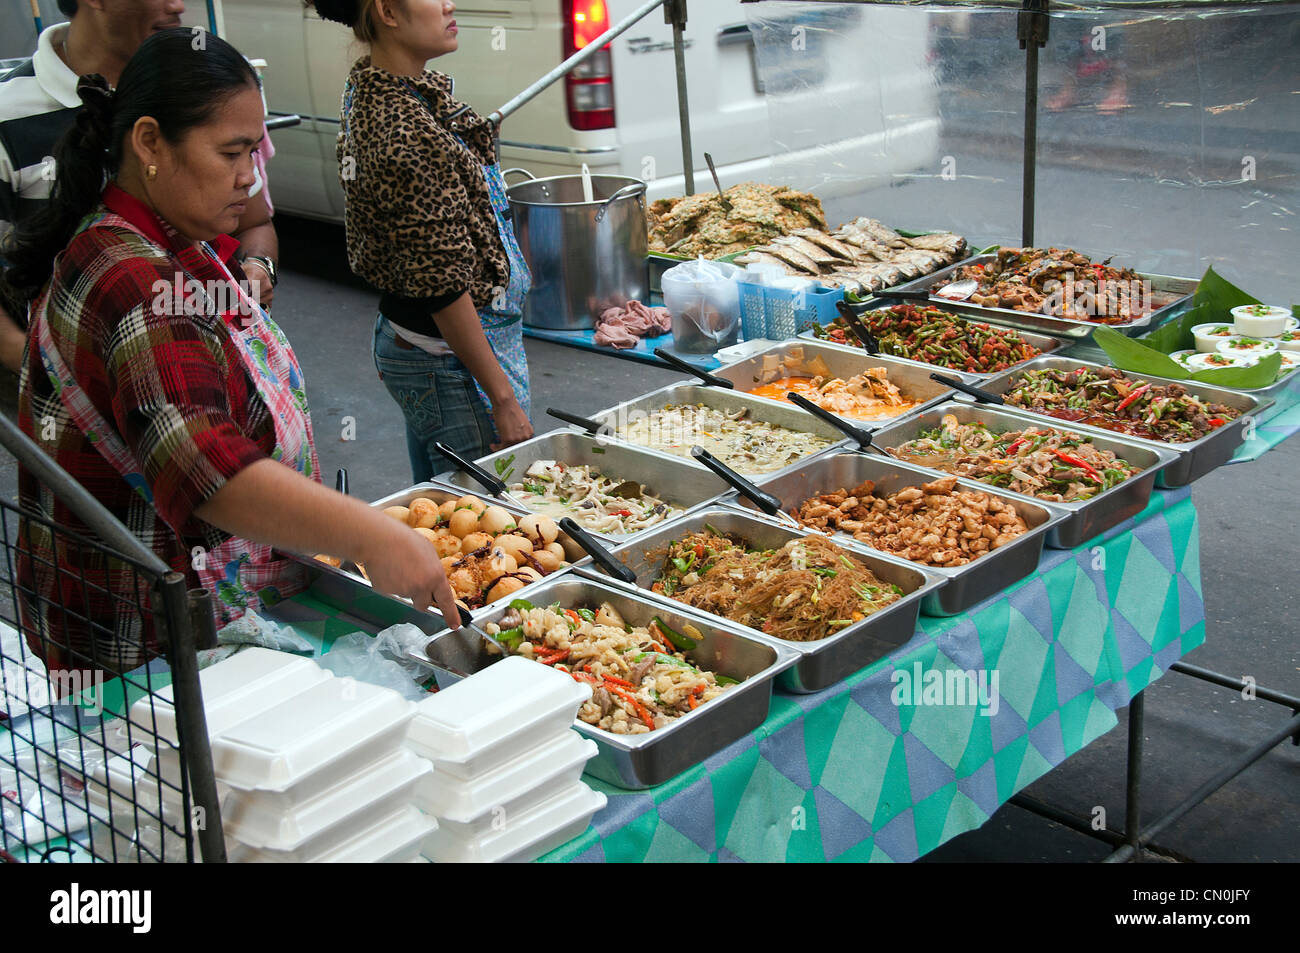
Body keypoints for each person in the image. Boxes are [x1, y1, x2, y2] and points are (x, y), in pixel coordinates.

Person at [0, 29, 458, 677]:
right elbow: (207, 470)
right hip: (142, 648)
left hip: (163, 607)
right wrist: (372, 532)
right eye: (232, 153)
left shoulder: (156, 240)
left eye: (256, 150)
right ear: (151, 142)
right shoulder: (132, 280)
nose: (251, 176)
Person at [0, 0, 281, 385]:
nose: (177, 5)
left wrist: (257, 269)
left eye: (246, 152)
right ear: (146, 141)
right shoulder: (8, 117)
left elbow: (256, 223)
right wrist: (39, 366)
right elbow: (195, 439)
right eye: (231, 153)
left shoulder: (200, 91)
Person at [314, 0, 534, 480]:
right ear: (389, 12)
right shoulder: (403, 133)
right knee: (479, 517)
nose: (449, 4)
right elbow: (441, 285)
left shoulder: (382, 86)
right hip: (446, 358)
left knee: (441, 502)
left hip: (422, 348)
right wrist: (503, 400)